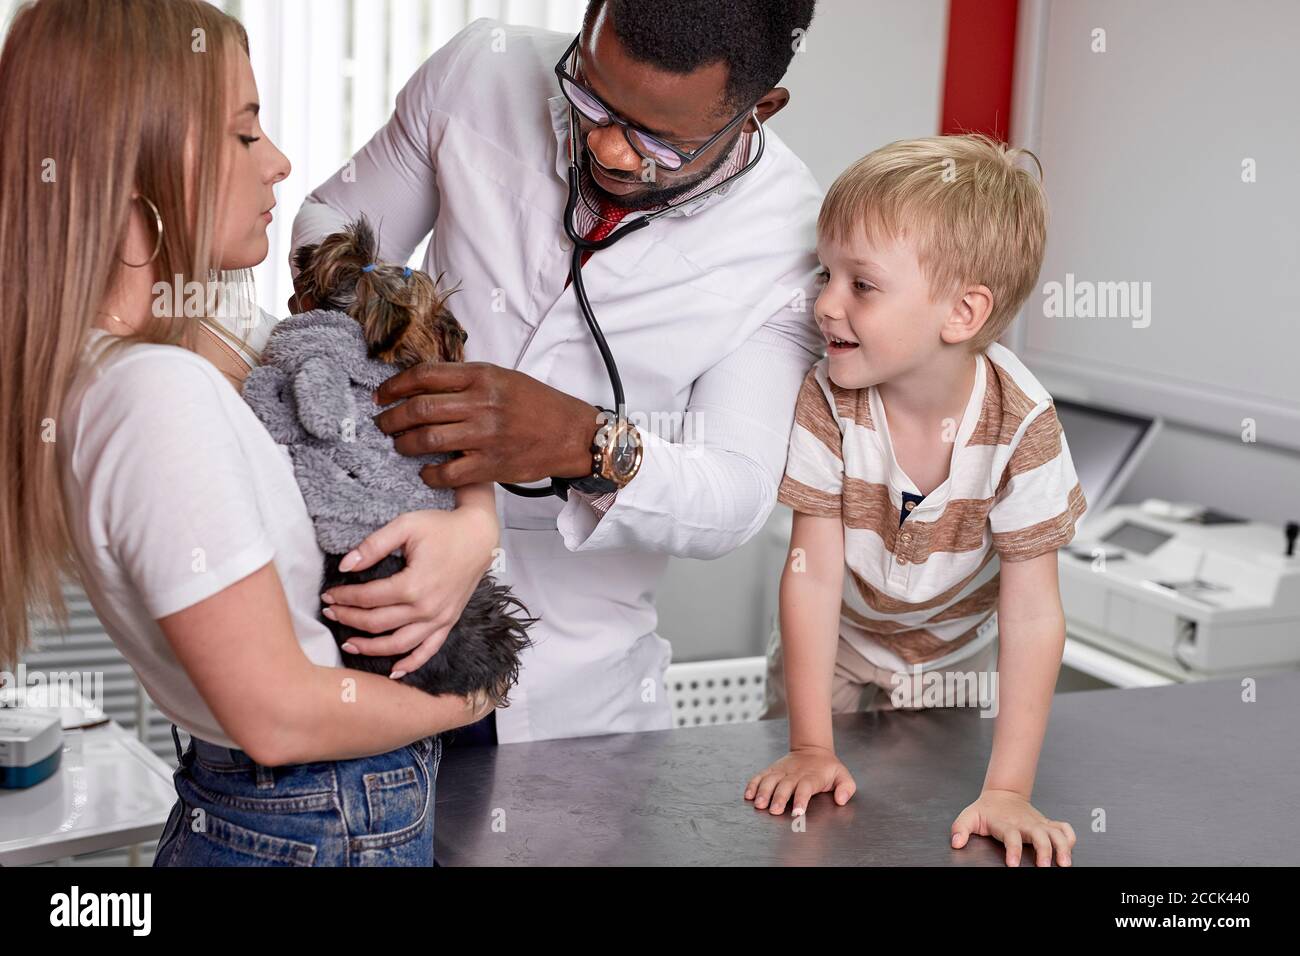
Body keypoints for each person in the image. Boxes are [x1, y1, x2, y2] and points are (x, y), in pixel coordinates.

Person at [0, 0, 494, 865]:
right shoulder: (148, 395)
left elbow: (407, 406)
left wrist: (476, 527)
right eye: (242, 135)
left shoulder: (213, 330)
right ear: (137, 170)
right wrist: (476, 701)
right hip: (308, 817)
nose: (280, 164)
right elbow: (276, 714)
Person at [293, 0, 824, 743]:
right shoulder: (481, 69)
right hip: (358, 651)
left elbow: (735, 493)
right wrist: (406, 331)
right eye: (589, 98)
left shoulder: (792, 240)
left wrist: (586, 442)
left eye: (659, 143)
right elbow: (330, 219)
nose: (607, 149)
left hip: (576, 701)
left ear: (757, 112)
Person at [745, 135, 1084, 868]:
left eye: (861, 285)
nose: (824, 302)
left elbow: (1031, 612)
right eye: (824, 272)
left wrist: (1010, 789)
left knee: (926, 826)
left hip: (951, 663)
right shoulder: (827, 400)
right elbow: (812, 573)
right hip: (831, 650)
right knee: (803, 826)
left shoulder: (1023, 426)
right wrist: (809, 745)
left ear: (961, 313)